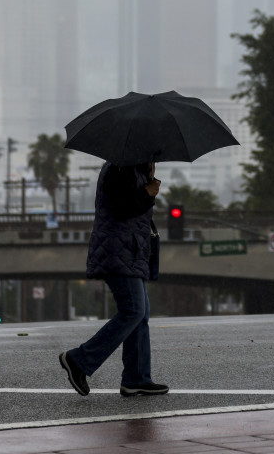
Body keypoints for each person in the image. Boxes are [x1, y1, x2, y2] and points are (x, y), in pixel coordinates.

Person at [59, 161, 168, 397]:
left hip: (129, 251)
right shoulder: (120, 168)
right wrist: (147, 193)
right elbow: (122, 208)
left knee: (140, 314)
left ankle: (136, 378)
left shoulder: (132, 169)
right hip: (118, 251)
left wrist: (147, 181)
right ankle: (79, 360)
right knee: (133, 311)